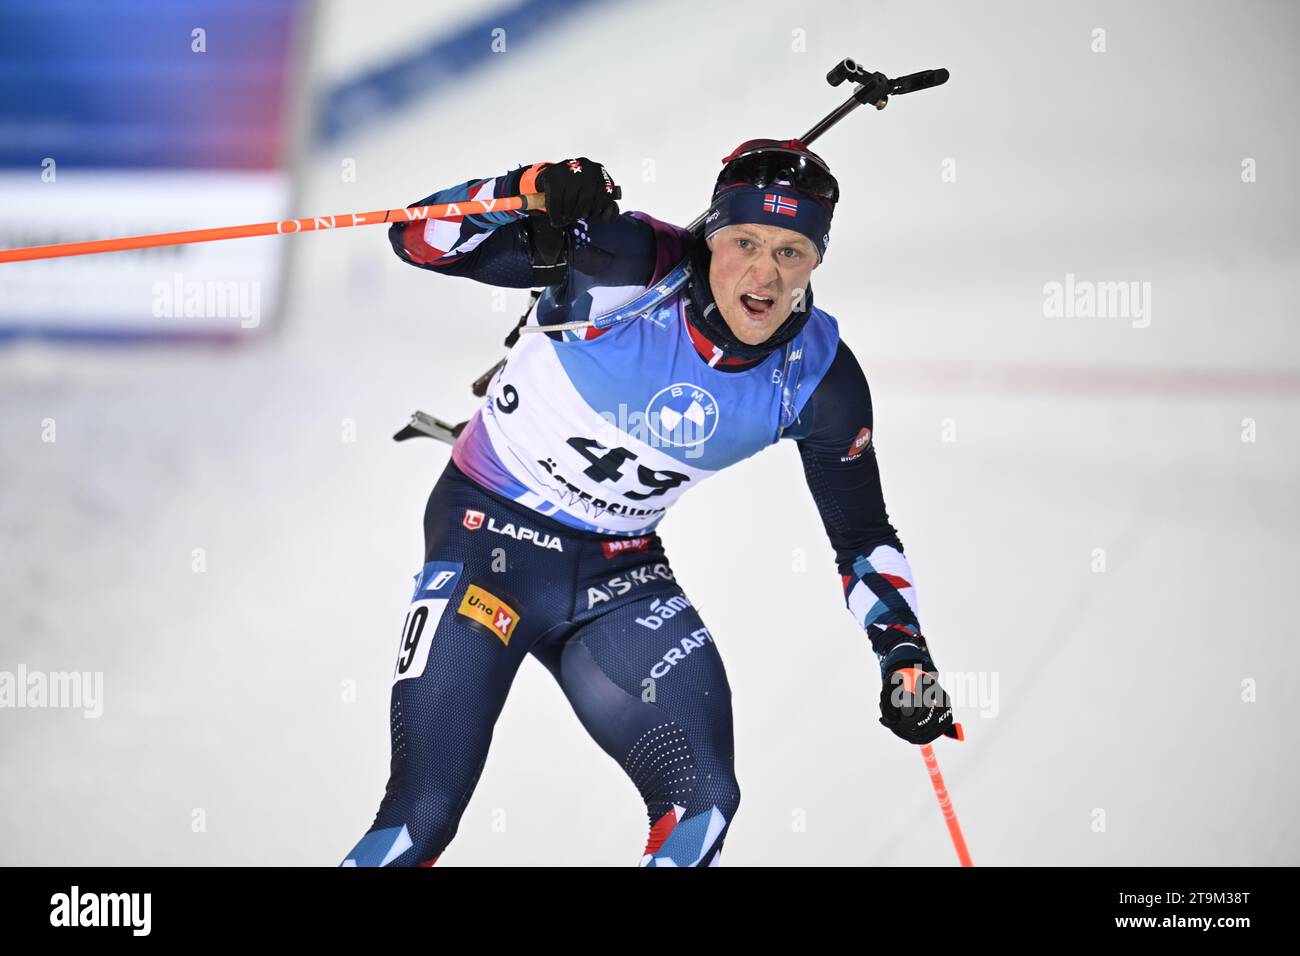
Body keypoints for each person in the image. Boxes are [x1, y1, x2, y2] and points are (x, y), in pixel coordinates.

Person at [341, 140, 957, 867]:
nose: (764, 274)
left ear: (818, 261)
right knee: (424, 812)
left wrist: (904, 651)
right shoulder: (622, 265)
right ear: (709, 235)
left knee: (702, 804)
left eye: (792, 251)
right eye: (745, 242)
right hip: (487, 540)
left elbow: (861, 537)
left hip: (619, 573)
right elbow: (418, 238)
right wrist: (524, 186)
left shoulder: (819, 380)